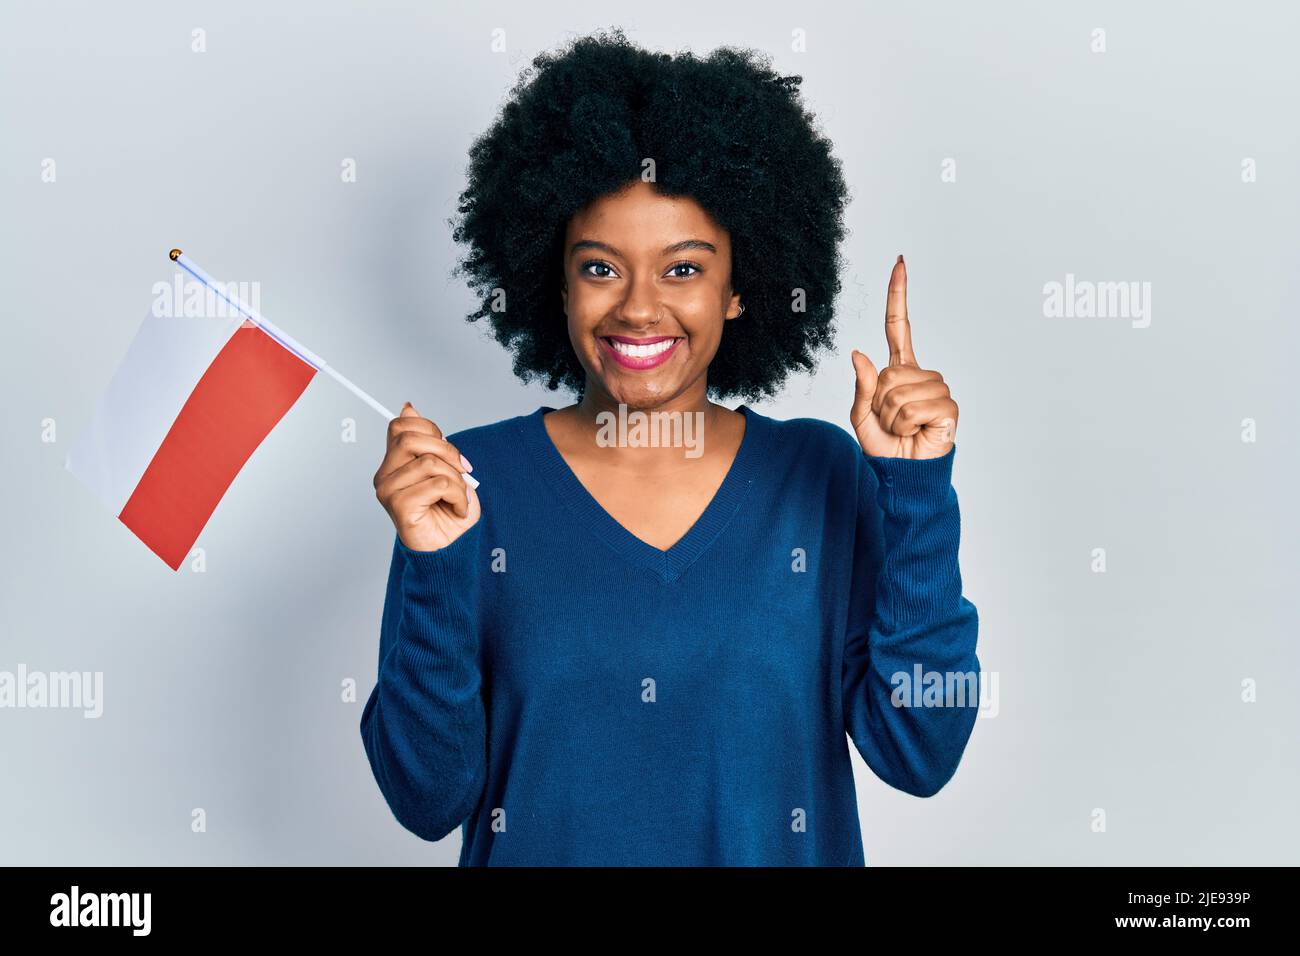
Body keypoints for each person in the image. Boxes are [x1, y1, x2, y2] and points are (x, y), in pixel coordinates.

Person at [360, 29, 979, 866]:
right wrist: (436, 569)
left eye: (683, 269)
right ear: (559, 282)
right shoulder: (466, 487)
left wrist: (916, 497)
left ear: (738, 288)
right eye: (601, 269)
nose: (639, 310)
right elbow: (425, 798)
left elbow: (921, 753)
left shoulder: (821, 476)